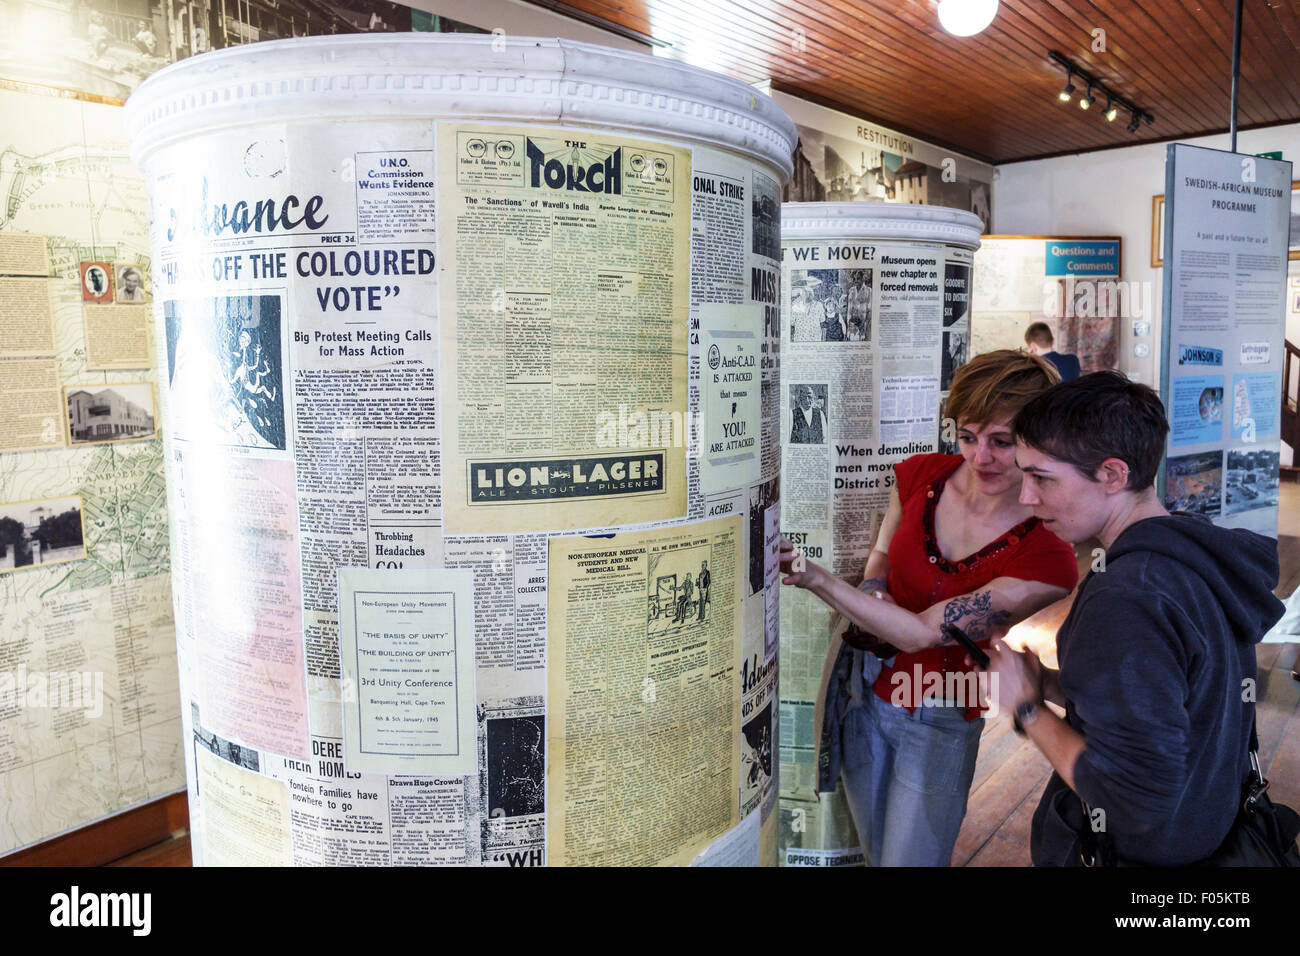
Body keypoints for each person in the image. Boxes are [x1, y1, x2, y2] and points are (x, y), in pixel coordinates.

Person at [779, 349, 1078, 866]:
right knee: (876, 853)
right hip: (863, 686)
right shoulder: (920, 475)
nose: (979, 456)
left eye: (1001, 442)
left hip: (939, 710)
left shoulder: (1048, 555)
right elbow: (880, 552)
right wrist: (873, 589)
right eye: (967, 436)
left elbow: (920, 634)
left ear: (1039, 440)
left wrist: (814, 577)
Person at [990, 371, 1285, 865]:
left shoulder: (1127, 598)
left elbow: (1130, 799)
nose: (1026, 497)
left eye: (1042, 477)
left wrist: (1025, 710)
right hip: (1209, 829)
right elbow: (1169, 700)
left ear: (1112, 474)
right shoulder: (1191, 555)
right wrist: (1050, 684)